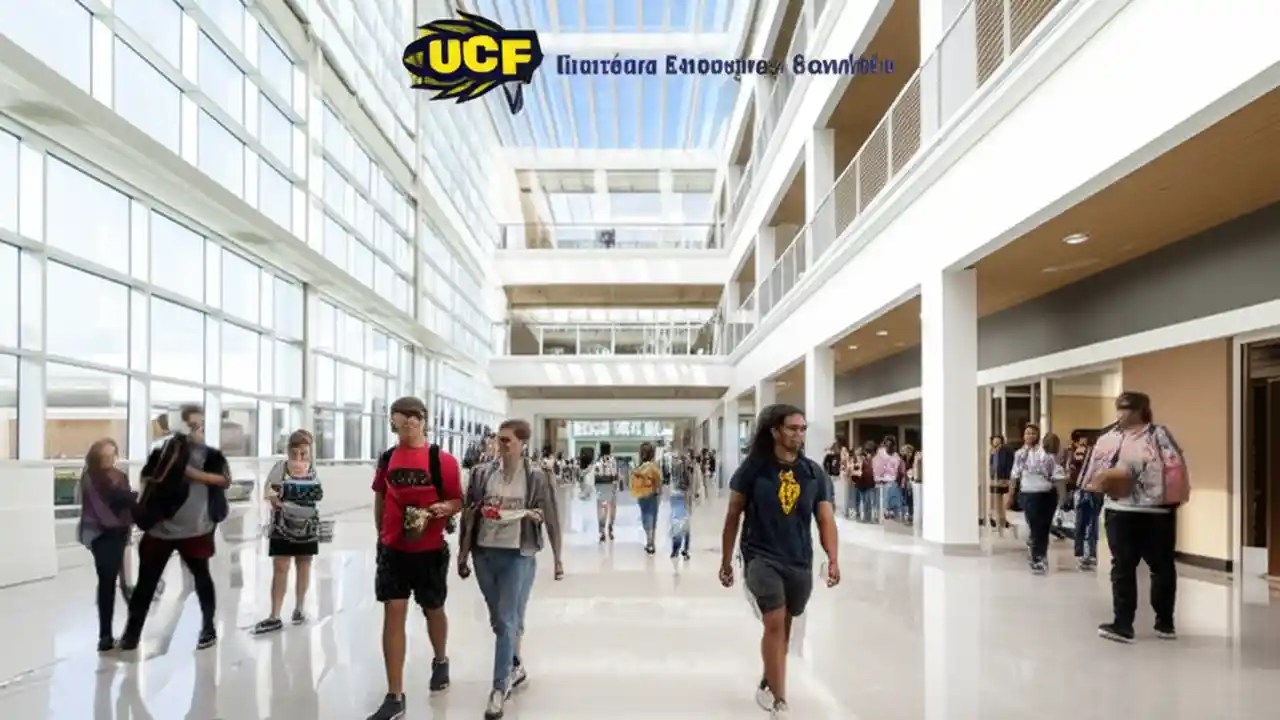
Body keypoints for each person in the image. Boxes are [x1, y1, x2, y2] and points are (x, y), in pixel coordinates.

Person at [719, 404, 840, 718]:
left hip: (799, 559)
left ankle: (769, 679)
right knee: (774, 621)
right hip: (760, 556)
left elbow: (825, 518)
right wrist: (726, 560)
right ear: (775, 431)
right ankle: (780, 700)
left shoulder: (814, 473)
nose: (799, 435)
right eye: (792, 428)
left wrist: (833, 558)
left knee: (785, 626)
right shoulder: (753, 470)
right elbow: (733, 515)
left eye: (802, 429)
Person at [457, 418, 564, 719]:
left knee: (506, 621)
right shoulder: (481, 474)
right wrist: (463, 554)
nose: (500, 445)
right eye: (498, 439)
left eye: (507, 440)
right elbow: (468, 516)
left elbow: (553, 517)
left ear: (522, 444)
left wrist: (557, 558)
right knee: (499, 620)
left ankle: (498, 688)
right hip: (484, 553)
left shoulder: (537, 477)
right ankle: (515, 665)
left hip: (518, 553)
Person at [367, 397, 463, 720]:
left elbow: (457, 500)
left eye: (415, 418)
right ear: (392, 422)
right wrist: (382, 535)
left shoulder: (442, 460)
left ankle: (440, 659)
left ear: (424, 421)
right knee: (393, 613)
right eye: (402, 418)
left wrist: (445, 508)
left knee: (433, 610)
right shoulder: (387, 459)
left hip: (430, 550)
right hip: (393, 550)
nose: (409, 423)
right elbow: (380, 496)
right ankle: (395, 695)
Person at [1078, 391, 1189, 644]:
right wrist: (1102, 483)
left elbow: (1175, 468)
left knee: (1161, 566)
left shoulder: (1159, 436)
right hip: (1121, 511)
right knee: (1122, 567)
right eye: (1119, 407)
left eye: (1127, 408)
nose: (1122, 413)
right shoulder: (1108, 438)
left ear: (1141, 410)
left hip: (1157, 512)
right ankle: (1123, 623)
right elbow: (1093, 473)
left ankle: (1165, 621)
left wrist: (1171, 497)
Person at [120, 406, 230, 652]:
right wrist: (170, 475)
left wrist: (191, 474)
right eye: (193, 425)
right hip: (161, 530)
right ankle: (131, 634)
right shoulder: (163, 452)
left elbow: (224, 480)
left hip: (196, 530)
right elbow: (148, 479)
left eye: (201, 425)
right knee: (146, 583)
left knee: (202, 578)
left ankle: (208, 628)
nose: (198, 430)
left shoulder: (212, 456)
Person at [253, 430, 322, 634]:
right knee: (281, 566)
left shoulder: (312, 470)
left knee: (304, 564)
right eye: (295, 452)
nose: (299, 457)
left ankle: (299, 608)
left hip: (307, 525)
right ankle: (275, 614)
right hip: (282, 526)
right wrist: (285, 504)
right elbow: (270, 494)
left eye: (304, 452)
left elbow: (317, 494)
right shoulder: (280, 468)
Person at [78, 438, 136, 652]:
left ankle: (131, 630)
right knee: (107, 581)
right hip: (101, 535)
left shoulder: (120, 476)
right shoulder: (90, 478)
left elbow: (127, 503)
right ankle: (105, 634)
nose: (110, 459)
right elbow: (102, 506)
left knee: (124, 583)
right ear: (96, 456)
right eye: (105, 455)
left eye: (112, 455)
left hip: (120, 533)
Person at [1009, 424, 1065, 575]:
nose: (1030, 436)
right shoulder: (1020, 454)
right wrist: (1010, 494)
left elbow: (1057, 475)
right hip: (1029, 494)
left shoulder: (1046, 454)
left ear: (1038, 436)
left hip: (1047, 494)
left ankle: (1040, 556)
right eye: (1027, 433)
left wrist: (1061, 497)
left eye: (1033, 433)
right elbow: (1014, 475)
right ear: (1023, 436)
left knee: (1044, 527)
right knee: (1035, 525)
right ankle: (1036, 555)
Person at [1069, 434, 1102, 570]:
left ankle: (1087, 553)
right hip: (1085, 490)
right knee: (1086, 522)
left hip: (1091, 490)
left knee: (1088, 522)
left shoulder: (1096, 454)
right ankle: (1085, 553)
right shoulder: (1078, 454)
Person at [668, 448, 696, 559]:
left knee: (677, 523)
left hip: (675, 495)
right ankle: (684, 549)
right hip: (684, 497)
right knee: (686, 525)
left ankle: (676, 549)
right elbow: (691, 485)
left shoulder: (676, 466)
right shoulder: (689, 468)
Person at [871, 436, 903, 522]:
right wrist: (878, 477)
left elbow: (896, 472)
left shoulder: (896, 457)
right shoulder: (880, 454)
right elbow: (876, 467)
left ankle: (891, 509)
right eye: (887, 445)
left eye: (891, 445)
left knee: (892, 489)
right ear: (884, 445)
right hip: (880, 481)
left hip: (891, 481)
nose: (889, 447)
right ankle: (882, 512)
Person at [592, 442, 620, 542]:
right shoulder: (613, 460)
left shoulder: (598, 461)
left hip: (600, 487)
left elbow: (595, 476)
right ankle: (610, 527)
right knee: (612, 508)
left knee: (602, 509)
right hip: (611, 486)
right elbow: (615, 475)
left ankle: (602, 530)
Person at [988, 435, 1015, 535]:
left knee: (1003, 500)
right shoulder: (991, 451)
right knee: (995, 499)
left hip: (1003, 478)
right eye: (994, 441)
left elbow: (1009, 463)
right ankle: (999, 520)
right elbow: (991, 464)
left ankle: (1002, 520)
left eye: (997, 441)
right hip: (994, 478)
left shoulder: (1006, 450)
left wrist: (1008, 477)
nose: (995, 442)